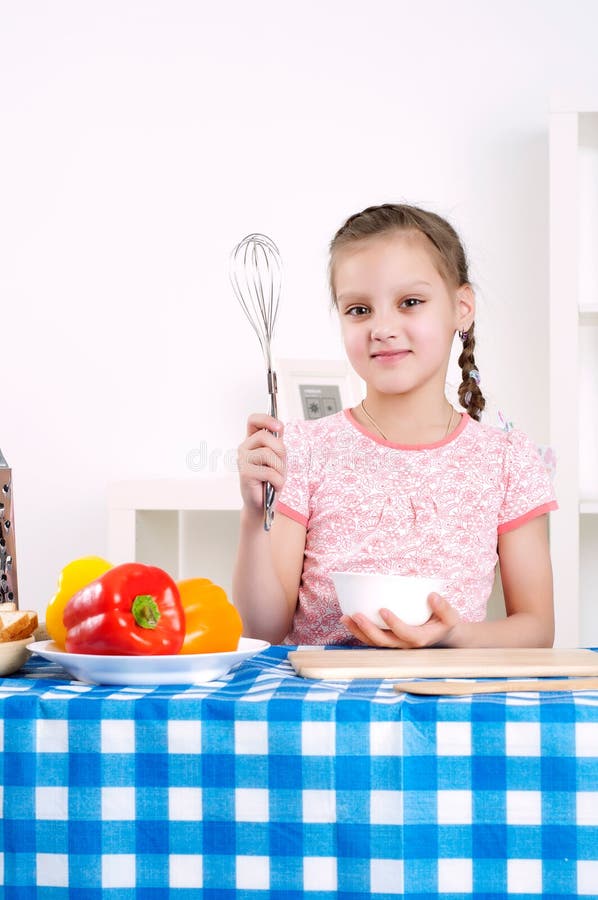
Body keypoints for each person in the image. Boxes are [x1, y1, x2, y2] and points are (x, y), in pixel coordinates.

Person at [233, 203, 557, 648]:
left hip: (441, 705)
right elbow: (261, 629)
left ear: (461, 308)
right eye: (359, 310)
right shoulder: (304, 450)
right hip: (323, 704)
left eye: (410, 303)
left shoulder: (507, 461)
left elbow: (536, 629)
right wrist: (255, 517)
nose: (382, 328)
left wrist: (448, 637)